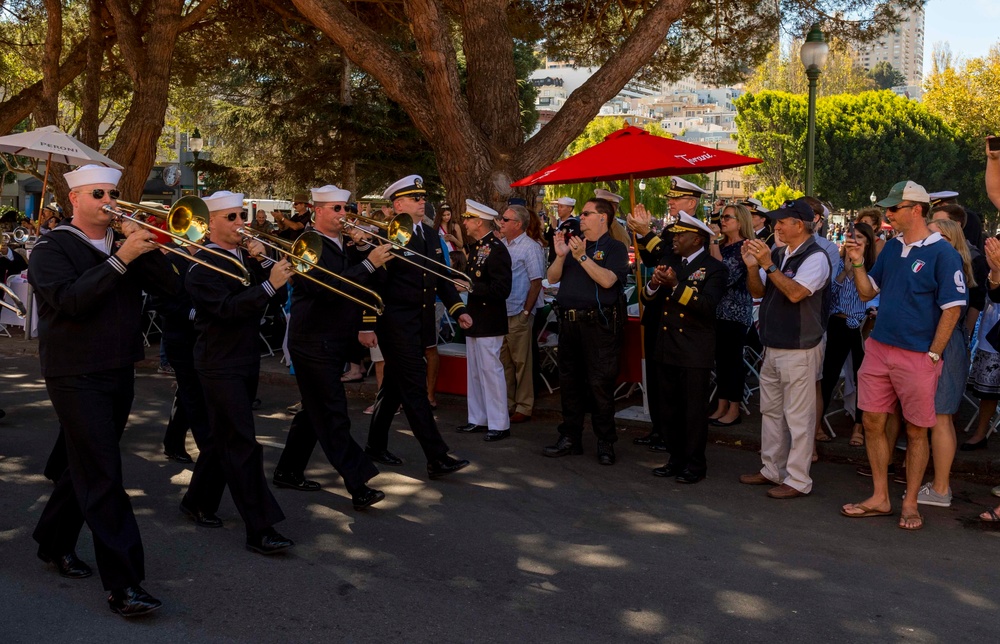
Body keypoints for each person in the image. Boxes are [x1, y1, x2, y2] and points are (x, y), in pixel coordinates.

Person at [30, 164, 179, 617]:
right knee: (104, 475)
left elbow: (172, 289)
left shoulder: (122, 241)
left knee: (87, 464)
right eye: (98, 194)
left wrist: (141, 248)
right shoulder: (51, 246)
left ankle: (53, 541)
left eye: (113, 193)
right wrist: (121, 259)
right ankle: (125, 585)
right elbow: (70, 301)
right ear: (74, 199)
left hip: (118, 368)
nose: (109, 201)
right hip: (74, 372)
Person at [840, 181, 965, 530]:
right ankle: (881, 497)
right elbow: (867, 293)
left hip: (917, 355)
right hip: (880, 348)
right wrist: (858, 263)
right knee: (872, 422)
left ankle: (910, 502)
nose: (889, 214)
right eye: (888, 208)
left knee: (916, 430)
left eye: (895, 208)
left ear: (917, 210)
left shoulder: (944, 253)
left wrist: (933, 355)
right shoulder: (893, 247)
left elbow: (953, 309)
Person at [185, 190, 296, 554]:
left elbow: (273, 301)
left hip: (244, 358)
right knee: (243, 443)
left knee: (224, 438)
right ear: (210, 223)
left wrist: (264, 266)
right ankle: (259, 528)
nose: (240, 223)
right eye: (231, 217)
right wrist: (268, 283)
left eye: (241, 216)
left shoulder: (243, 257)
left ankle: (197, 500)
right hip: (218, 362)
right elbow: (228, 309)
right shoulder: (202, 265)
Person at [272, 185, 394, 509]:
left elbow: (372, 284)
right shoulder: (307, 243)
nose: (344, 214)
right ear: (318, 211)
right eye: (337, 209)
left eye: (345, 208)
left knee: (314, 411)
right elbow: (324, 289)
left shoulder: (344, 243)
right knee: (333, 412)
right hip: (311, 340)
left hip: (333, 339)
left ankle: (288, 471)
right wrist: (367, 264)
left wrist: (364, 250)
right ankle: (358, 485)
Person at [359, 175, 471, 479]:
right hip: (395, 325)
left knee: (393, 388)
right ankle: (437, 457)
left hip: (419, 323)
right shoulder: (387, 236)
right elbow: (373, 286)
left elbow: (440, 277)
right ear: (398, 205)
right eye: (415, 198)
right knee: (414, 388)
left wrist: (458, 309)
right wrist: (367, 324)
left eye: (423, 197)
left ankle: (375, 445)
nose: (423, 202)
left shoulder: (431, 235)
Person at [738, 198, 831, 499]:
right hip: (774, 344)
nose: (775, 226)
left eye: (781, 221)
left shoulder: (815, 257)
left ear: (799, 225)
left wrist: (767, 264)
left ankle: (798, 479)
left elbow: (795, 294)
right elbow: (758, 291)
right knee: (771, 412)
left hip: (799, 346)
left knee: (799, 417)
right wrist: (753, 267)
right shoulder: (780, 253)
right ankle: (772, 469)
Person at [543, 197, 629, 465]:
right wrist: (561, 256)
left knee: (599, 385)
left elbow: (608, 281)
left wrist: (581, 257)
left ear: (603, 217)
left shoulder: (615, 248)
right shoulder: (574, 244)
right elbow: (552, 278)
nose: (581, 217)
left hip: (598, 326)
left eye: (586, 213)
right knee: (569, 384)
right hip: (570, 323)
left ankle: (605, 441)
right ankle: (570, 437)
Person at [625, 177, 706, 449]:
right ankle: (659, 428)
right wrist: (641, 234)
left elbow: (672, 261)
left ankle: (672, 434)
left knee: (672, 381)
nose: (670, 201)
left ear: (692, 203)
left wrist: (647, 232)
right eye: (670, 197)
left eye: (676, 198)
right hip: (659, 311)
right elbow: (651, 259)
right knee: (656, 376)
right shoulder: (672, 229)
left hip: (679, 316)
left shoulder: (697, 231)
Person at [647, 213, 727, 483]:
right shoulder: (669, 261)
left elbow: (706, 306)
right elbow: (649, 299)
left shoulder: (714, 268)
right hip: (666, 345)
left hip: (694, 349)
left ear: (697, 239)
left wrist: (675, 285)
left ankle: (695, 464)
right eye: (675, 233)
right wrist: (653, 284)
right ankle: (675, 458)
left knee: (692, 411)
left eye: (681, 235)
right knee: (668, 408)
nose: (674, 238)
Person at [916, 217, 974, 508]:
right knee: (940, 417)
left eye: (936, 237)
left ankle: (940, 488)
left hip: (945, 345)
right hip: (944, 344)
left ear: (952, 242)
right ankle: (938, 485)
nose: (928, 241)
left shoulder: (949, 268)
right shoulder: (949, 265)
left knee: (940, 417)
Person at [455, 199, 513, 440]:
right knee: (476, 372)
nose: (464, 223)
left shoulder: (496, 249)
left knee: (491, 371)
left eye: (468, 219)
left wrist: (469, 287)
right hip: (475, 317)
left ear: (479, 222)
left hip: (489, 319)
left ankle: (499, 423)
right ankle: (478, 418)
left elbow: (502, 289)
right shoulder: (478, 247)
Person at [817, 222, 877, 448]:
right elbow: (829, 297)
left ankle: (858, 426)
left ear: (868, 241)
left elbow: (873, 296)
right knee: (828, 376)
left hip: (862, 325)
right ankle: (817, 424)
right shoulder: (839, 264)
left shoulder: (874, 267)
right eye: (852, 236)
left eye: (860, 237)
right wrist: (845, 272)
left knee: (863, 378)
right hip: (837, 323)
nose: (855, 240)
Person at [707, 203, 754, 427]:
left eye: (727, 217)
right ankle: (721, 404)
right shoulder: (723, 245)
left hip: (735, 313)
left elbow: (723, 275)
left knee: (732, 361)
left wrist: (713, 242)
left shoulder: (745, 247)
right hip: (716, 311)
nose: (722, 221)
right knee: (720, 361)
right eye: (722, 217)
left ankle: (734, 409)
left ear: (740, 222)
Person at [498, 205, 545, 424]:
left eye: (506, 219)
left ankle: (524, 406)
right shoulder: (501, 245)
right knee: (504, 362)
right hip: (502, 311)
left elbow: (536, 282)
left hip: (518, 311)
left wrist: (526, 311)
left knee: (522, 363)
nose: (501, 222)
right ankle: (507, 403)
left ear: (518, 224)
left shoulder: (530, 247)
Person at [434, 203, 466, 271]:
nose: (446, 217)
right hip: (442, 256)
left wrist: (453, 239)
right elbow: (433, 244)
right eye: (444, 215)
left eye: (448, 214)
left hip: (454, 258)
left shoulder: (455, 226)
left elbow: (461, 245)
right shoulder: (436, 227)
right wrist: (442, 239)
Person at [544, 196, 576, 264]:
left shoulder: (574, 223)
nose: (558, 209)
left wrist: (555, 229)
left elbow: (567, 240)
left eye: (561, 207)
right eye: (558, 207)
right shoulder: (556, 222)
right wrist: (542, 228)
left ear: (570, 208)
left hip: (566, 261)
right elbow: (547, 240)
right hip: (553, 259)